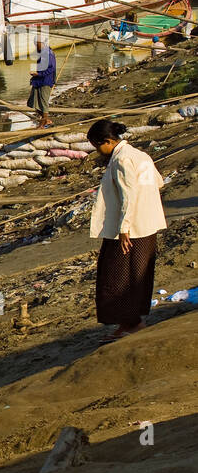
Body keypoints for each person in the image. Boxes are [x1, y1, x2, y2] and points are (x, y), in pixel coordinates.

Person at [88, 119, 167, 342]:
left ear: (107, 142)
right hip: (147, 225)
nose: (98, 151)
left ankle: (131, 323)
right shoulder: (140, 155)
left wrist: (124, 228)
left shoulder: (122, 159)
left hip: (130, 229)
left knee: (117, 277)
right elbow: (158, 182)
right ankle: (132, 322)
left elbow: (128, 195)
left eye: (98, 146)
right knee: (137, 274)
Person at [28, 40, 57, 129]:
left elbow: (51, 68)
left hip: (45, 81)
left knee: (43, 104)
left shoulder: (48, 54)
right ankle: (46, 120)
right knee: (32, 102)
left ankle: (42, 124)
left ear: (43, 43)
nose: (36, 46)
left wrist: (39, 74)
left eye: (37, 44)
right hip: (38, 81)